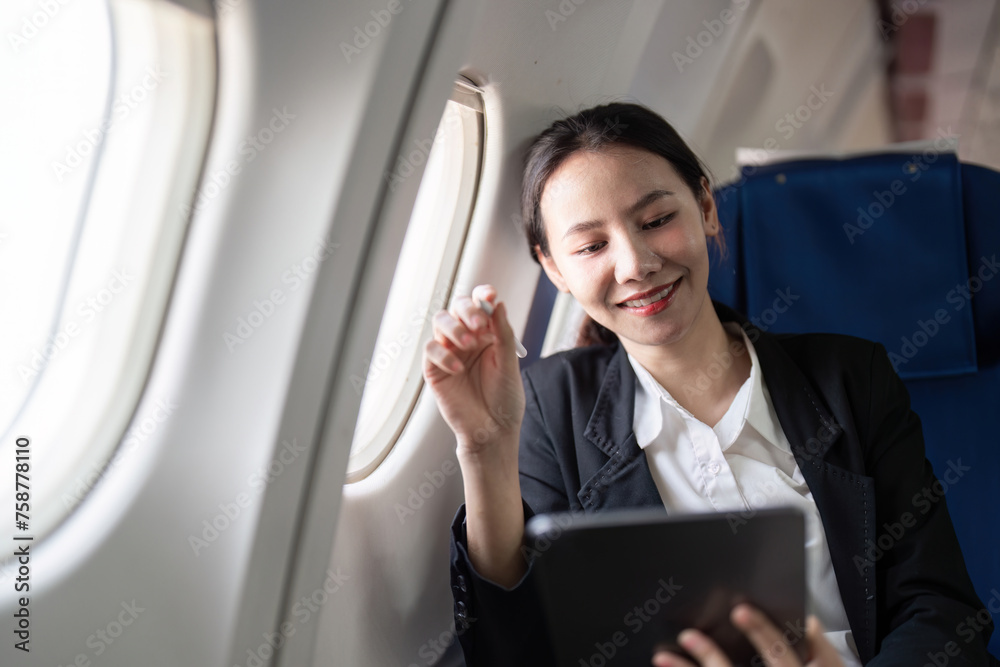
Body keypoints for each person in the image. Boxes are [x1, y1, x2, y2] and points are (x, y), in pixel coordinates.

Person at [422, 102, 994, 666]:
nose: (635, 264)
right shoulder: (548, 408)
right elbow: (513, 652)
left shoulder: (850, 377)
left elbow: (938, 607)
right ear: (554, 269)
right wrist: (485, 448)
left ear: (705, 208)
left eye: (656, 221)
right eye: (592, 246)